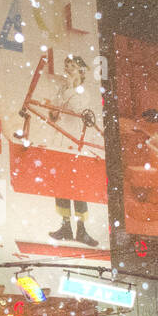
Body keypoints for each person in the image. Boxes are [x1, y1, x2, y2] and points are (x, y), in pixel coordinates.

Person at [47, 55, 99, 247]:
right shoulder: (63, 90)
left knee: (78, 186)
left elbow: (78, 109)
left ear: (81, 71)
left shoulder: (83, 91)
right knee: (61, 183)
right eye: (66, 65)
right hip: (62, 141)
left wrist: (68, 90)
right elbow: (54, 113)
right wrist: (55, 108)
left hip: (77, 142)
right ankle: (65, 226)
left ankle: (82, 229)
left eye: (72, 66)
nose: (68, 68)